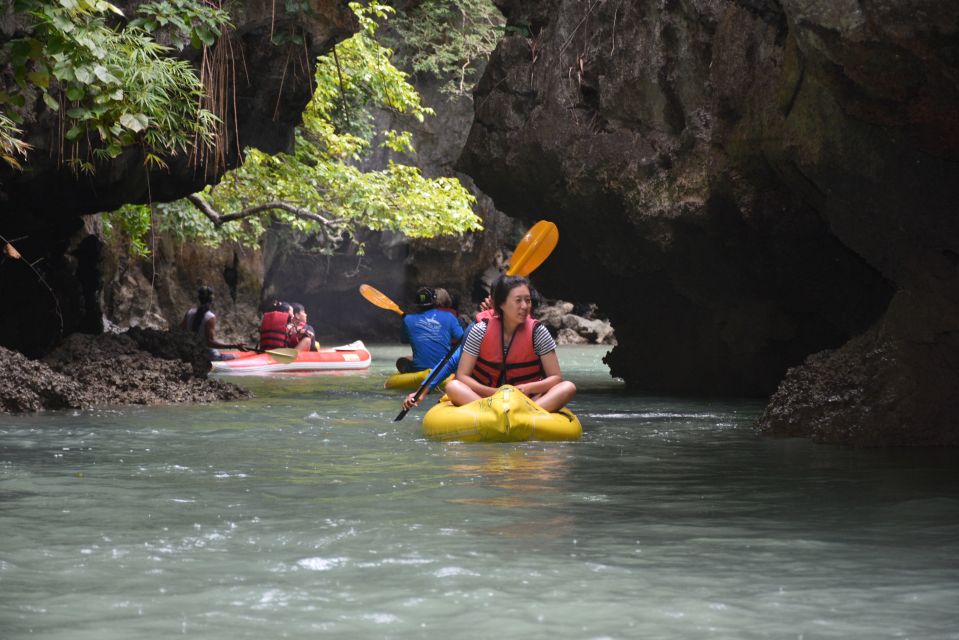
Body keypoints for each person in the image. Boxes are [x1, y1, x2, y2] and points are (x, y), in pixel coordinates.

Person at [443, 275, 575, 413]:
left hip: (527, 401)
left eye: (528, 300)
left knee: (568, 387)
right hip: (485, 399)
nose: (525, 306)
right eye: (518, 301)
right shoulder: (480, 330)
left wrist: (528, 388)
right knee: (453, 387)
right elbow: (463, 376)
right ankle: (494, 413)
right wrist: (494, 393)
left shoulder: (538, 332)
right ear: (501, 304)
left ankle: (522, 414)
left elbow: (556, 378)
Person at [396, 286, 465, 374]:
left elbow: (404, 340)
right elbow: (463, 340)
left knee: (405, 359)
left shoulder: (407, 319)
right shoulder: (449, 316)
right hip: (444, 369)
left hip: (419, 369)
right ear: (434, 301)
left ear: (416, 304)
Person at [180, 285, 242, 360]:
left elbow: (181, 331)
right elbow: (210, 342)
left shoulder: (189, 313)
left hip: (190, 352)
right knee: (236, 357)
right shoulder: (210, 317)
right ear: (211, 300)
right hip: (207, 356)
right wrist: (233, 346)